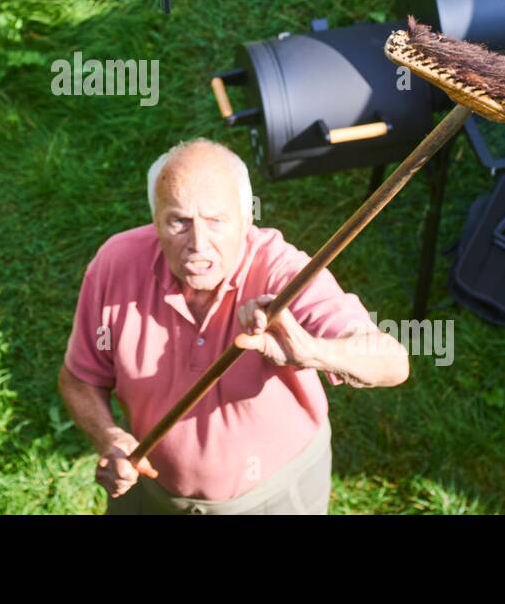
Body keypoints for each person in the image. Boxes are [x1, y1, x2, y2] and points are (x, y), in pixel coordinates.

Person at [58, 138, 409, 514]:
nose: (199, 244)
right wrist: (109, 438)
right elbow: (80, 378)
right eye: (179, 222)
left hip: (272, 500)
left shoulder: (283, 272)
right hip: (152, 495)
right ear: (155, 218)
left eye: (216, 221)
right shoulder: (117, 263)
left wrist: (311, 351)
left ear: (247, 220)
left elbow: (391, 362)